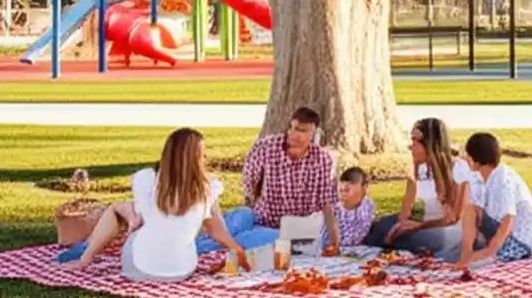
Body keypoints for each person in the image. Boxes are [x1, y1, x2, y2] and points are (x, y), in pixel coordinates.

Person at [64, 127, 247, 281]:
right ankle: (130, 223)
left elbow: (143, 213)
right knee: (134, 214)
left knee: (117, 208)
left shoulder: (148, 179)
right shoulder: (207, 188)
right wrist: (239, 251)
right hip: (182, 270)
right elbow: (217, 231)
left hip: (138, 266)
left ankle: (85, 259)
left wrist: (134, 217)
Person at [197, 107, 341, 255]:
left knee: (277, 239)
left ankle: (223, 244)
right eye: (292, 128)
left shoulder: (322, 160)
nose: (294, 135)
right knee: (241, 217)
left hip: (289, 229)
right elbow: (249, 181)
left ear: (314, 133)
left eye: (302, 131)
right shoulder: (266, 147)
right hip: (260, 217)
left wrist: (335, 241)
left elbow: (327, 204)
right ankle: (195, 246)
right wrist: (257, 202)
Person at [365, 117, 477, 260]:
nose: (411, 146)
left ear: (430, 145)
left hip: (444, 229)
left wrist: (417, 226)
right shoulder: (419, 169)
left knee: (416, 239)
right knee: (377, 228)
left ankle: (400, 248)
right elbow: (406, 211)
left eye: (414, 141)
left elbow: (453, 218)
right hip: (418, 222)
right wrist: (400, 225)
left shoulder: (458, 169)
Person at [454, 131, 532, 268]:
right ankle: (466, 253)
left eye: (467, 156)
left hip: (520, 238)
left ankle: (488, 255)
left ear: (474, 161)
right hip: (499, 227)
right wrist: (467, 253)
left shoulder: (503, 181)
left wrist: (490, 250)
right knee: (470, 208)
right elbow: (472, 210)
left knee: (480, 263)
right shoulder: (479, 177)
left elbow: (508, 219)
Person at [320, 166, 376, 249]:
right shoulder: (335, 208)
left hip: (351, 248)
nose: (343, 190)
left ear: (364, 188)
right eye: (342, 189)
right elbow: (324, 241)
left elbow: (354, 237)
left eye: (352, 183)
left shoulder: (366, 206)